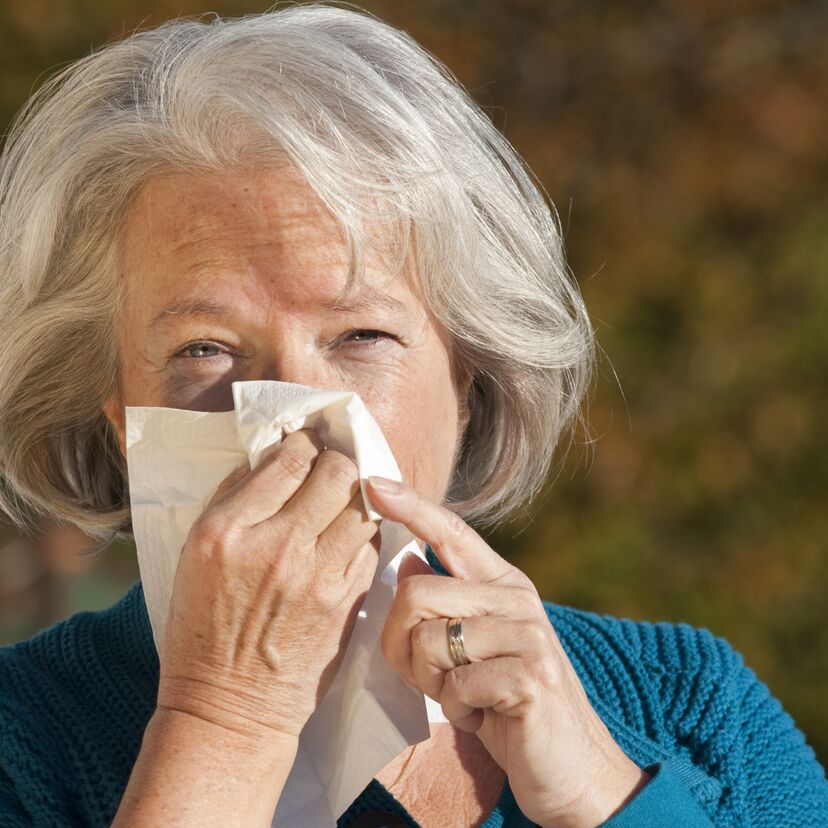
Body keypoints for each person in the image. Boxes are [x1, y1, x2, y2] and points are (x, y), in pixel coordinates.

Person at [0, 5, 825, 827]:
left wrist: (602, 801)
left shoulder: (688, 706)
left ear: (469, 377)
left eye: (362, 335)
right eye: (204, 350)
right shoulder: (21, 739)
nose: (294, 416)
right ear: (120, 413)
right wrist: (221, 723)